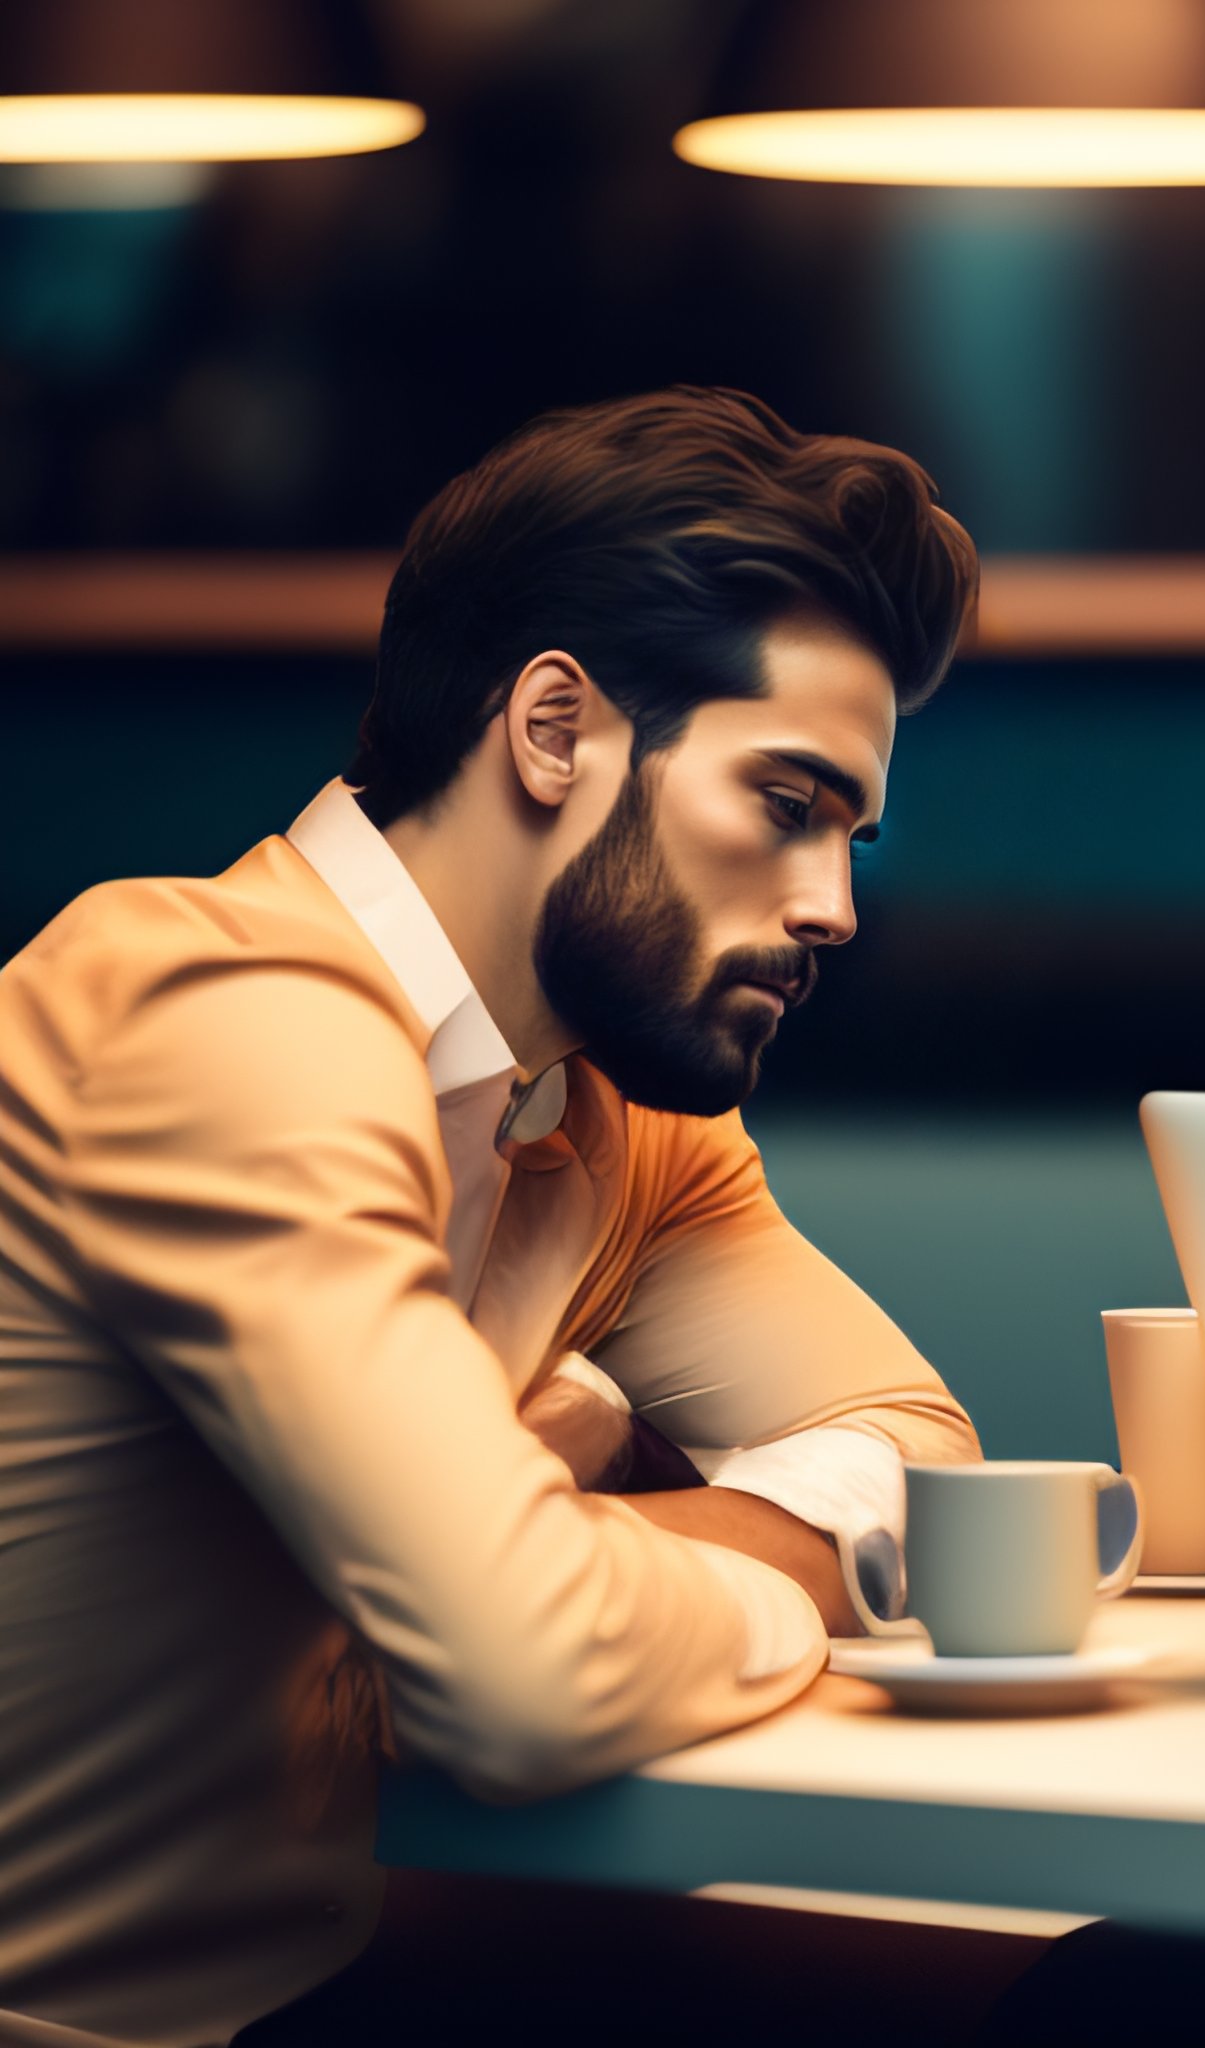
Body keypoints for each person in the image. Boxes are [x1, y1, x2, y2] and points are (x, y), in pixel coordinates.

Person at [0, 388, 989, 2047]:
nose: (830, 905)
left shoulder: (618, 1114)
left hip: (312, 1985)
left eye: (850, 835)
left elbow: (916, 1453)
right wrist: (651, 1580)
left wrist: (543, 1513)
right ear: (553, 727)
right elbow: (522, 1678)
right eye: (786, 802)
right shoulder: (218, 1006)